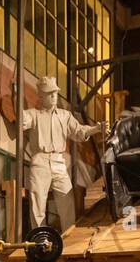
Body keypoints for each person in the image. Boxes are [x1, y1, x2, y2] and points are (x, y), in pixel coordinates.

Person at [20, 75, 106, 229]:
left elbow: (79, 131)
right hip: (39, 161)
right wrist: (15, 95)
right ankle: (40, 237)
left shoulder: (65, 116)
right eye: (49, 93)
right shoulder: (33, 115)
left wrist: (96, 129)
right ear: (41, 96)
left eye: (54, 93)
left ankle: (68, 237)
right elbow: (21, 120)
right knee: (38, 201)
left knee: (67, 198)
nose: (54, 96)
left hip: (58, 162)